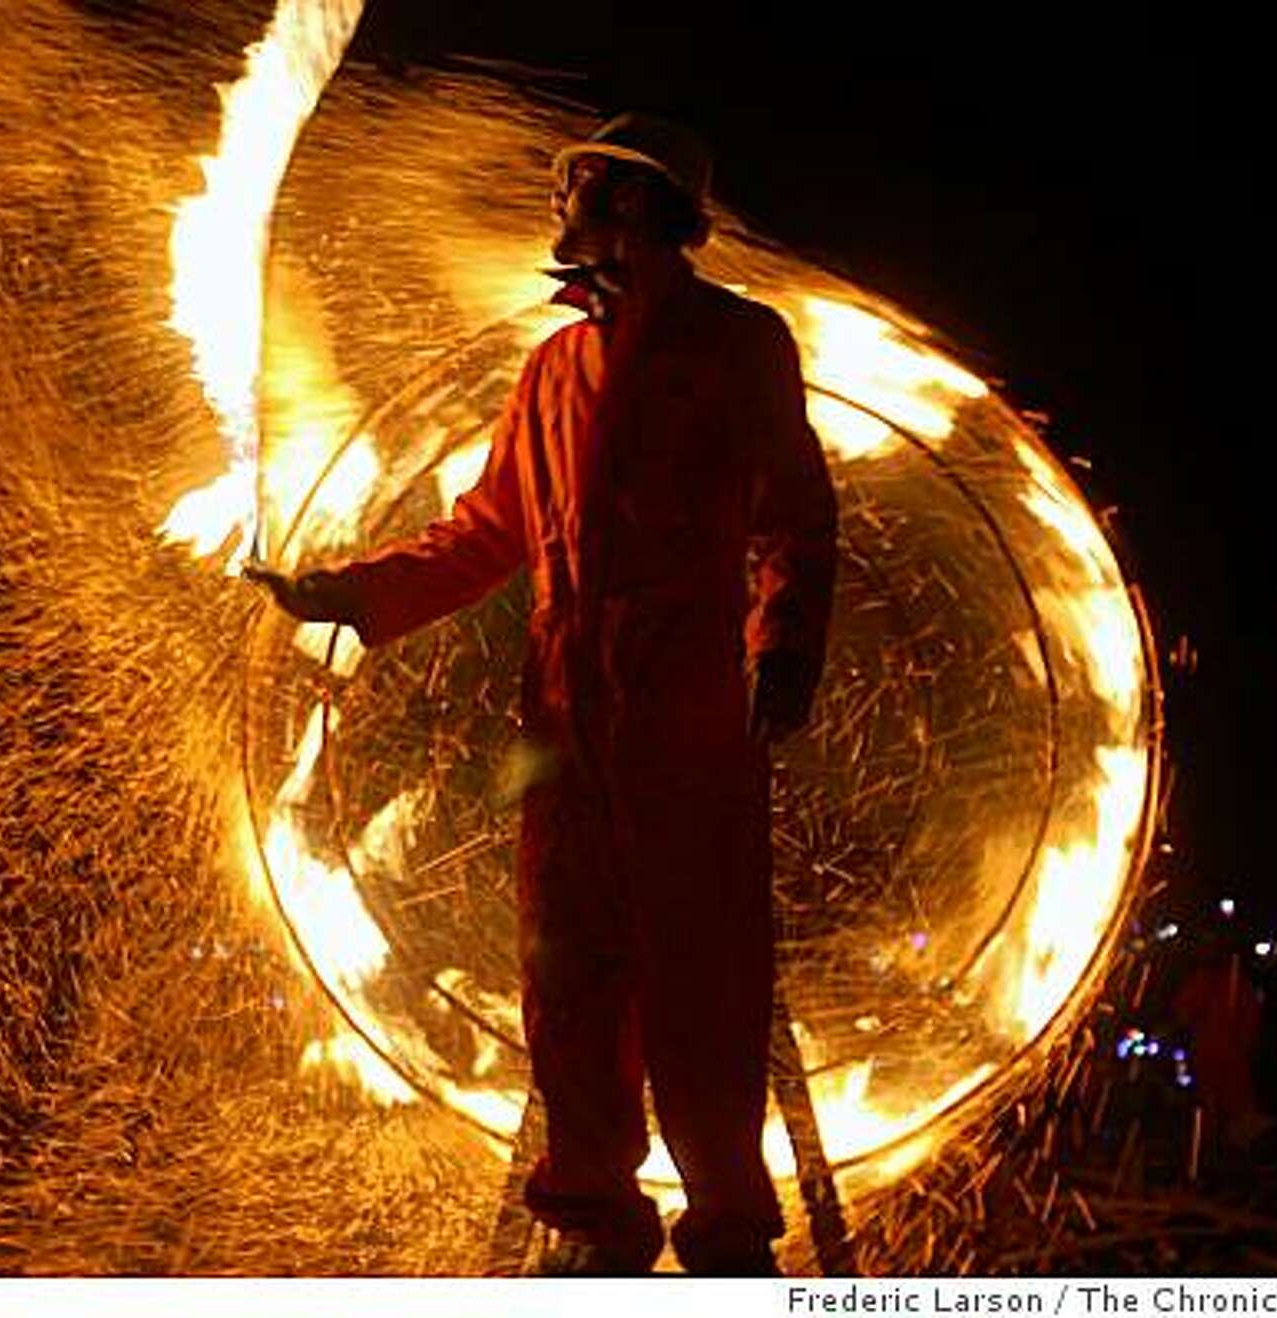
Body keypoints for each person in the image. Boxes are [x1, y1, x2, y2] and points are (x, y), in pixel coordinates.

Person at [247, 113, 839, 1276]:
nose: (557, 206)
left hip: (686, 713)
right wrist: (345, 592)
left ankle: (725, 1229)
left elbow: (794, 514)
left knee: (702, 975)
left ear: (632, 206)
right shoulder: (553, 368)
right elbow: (489, 530)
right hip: (567, 718)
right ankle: (597, 1223)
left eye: (577, 188)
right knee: (568, 971)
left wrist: (784, 646)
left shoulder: (738, 345)